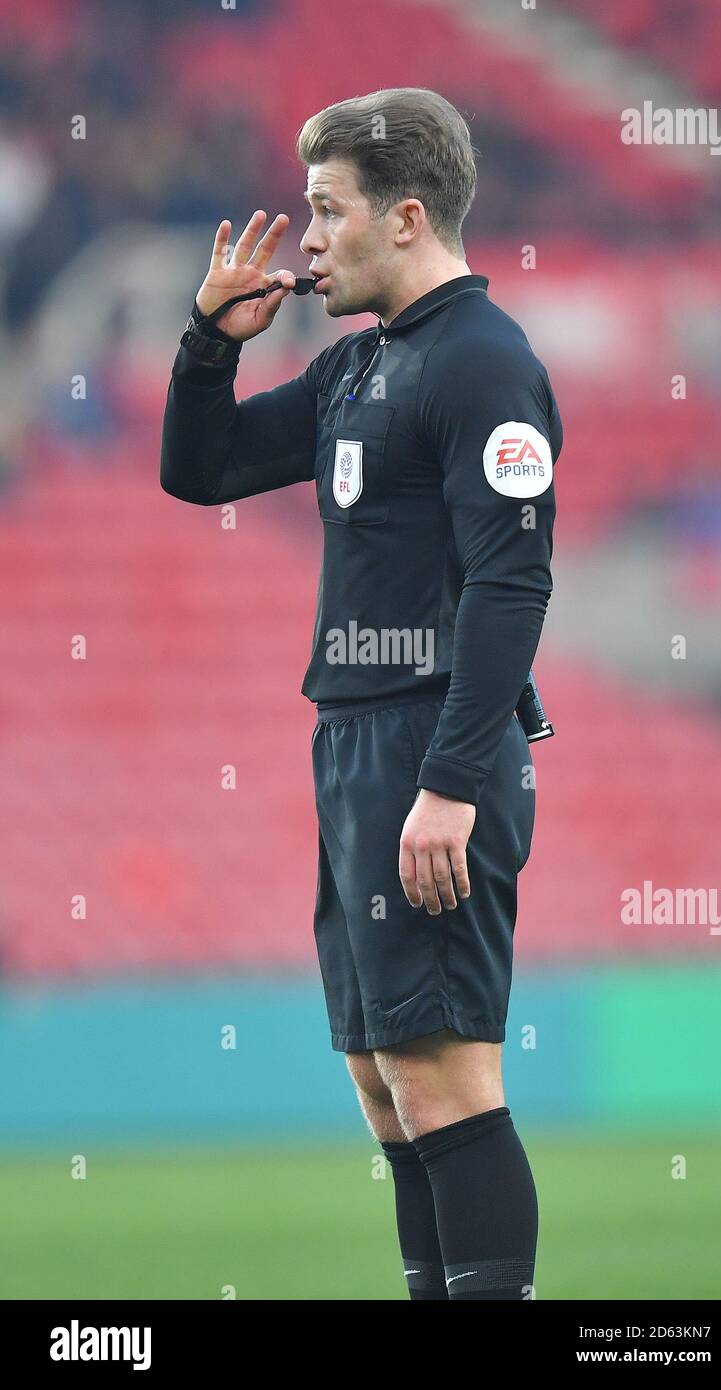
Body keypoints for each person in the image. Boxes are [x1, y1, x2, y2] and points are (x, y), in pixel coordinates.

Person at [160, 87, 563, 1301]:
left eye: (326, 211)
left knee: (443, 1076)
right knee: (386, 1081)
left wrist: (446, 782)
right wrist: (210, 342)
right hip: (353, 743)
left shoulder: (485, 364)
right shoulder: (356, 368)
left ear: (402, 216)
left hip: (433, 744)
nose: (308, 238)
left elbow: (509, 583)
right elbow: (203, 468)